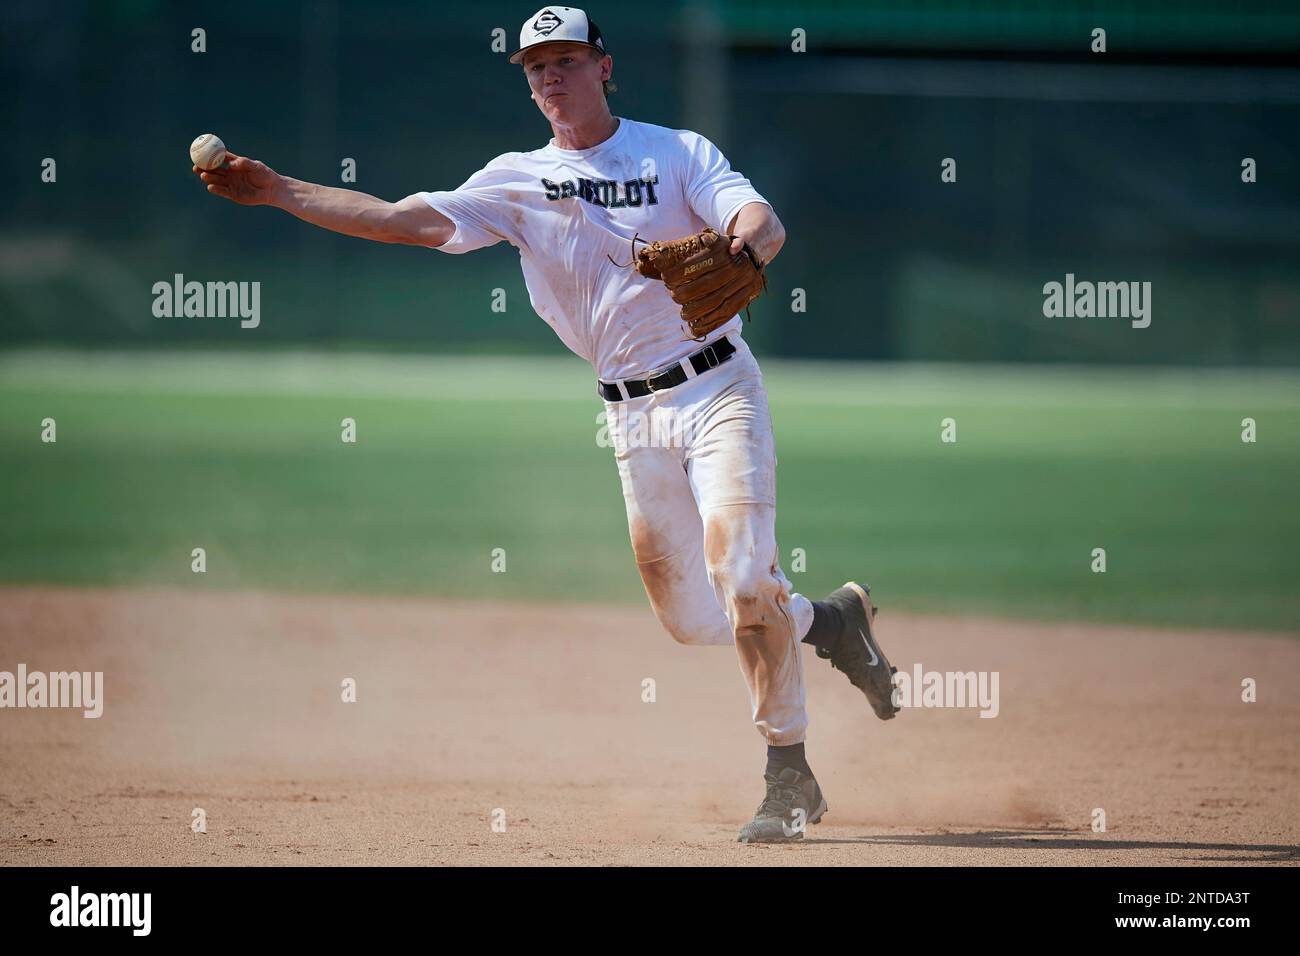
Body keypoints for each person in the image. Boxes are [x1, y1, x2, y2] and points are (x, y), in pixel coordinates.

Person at [194, 5, 900, 844]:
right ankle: (833, 622)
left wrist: (744, 252)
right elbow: (396, 220)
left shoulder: (674, 153)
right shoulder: (514, 180)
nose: (549, 77)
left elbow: (760, 219)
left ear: (604, 66)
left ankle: (789, 775)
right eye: (535, 67)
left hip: (718, 393)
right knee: (692, 620)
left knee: (746, 582)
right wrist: (277, 191)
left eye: (565, 59)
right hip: (630, 418)